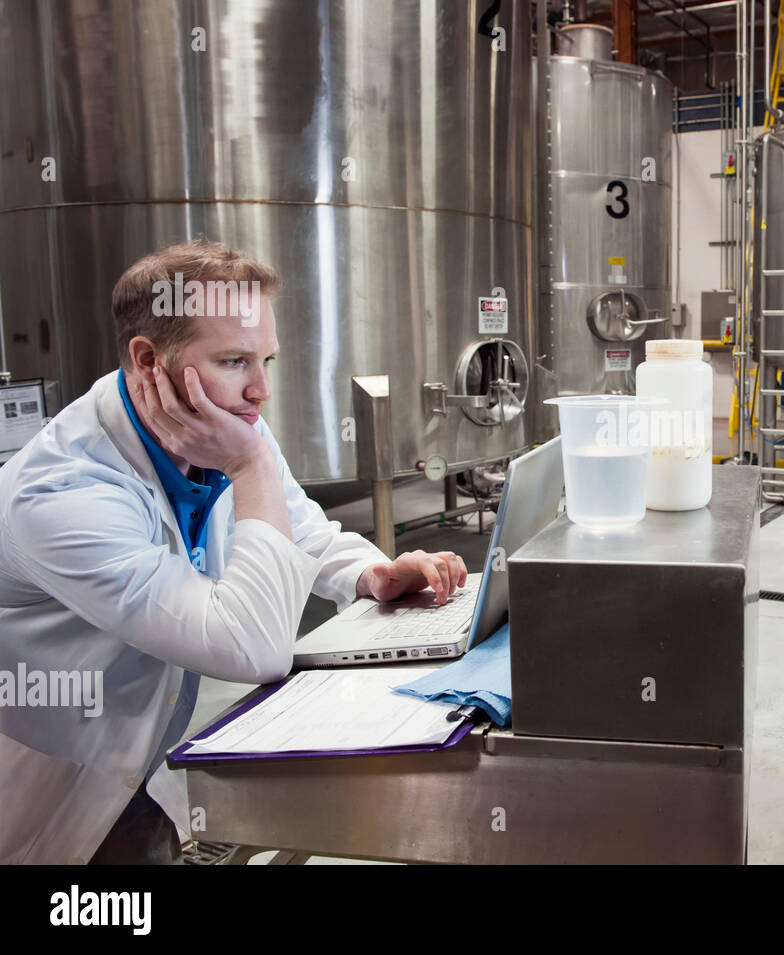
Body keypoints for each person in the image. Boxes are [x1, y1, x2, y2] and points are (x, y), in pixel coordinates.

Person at [0, 239, 468, 863]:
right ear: (148, 360)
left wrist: (372, 572)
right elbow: (254, 649)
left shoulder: (216, 419)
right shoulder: (61, 495)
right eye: (233, 361)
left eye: (266, 360)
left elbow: (299, 527)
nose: (260, 391)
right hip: (67, 772)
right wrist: (248, 468)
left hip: (158, 753)